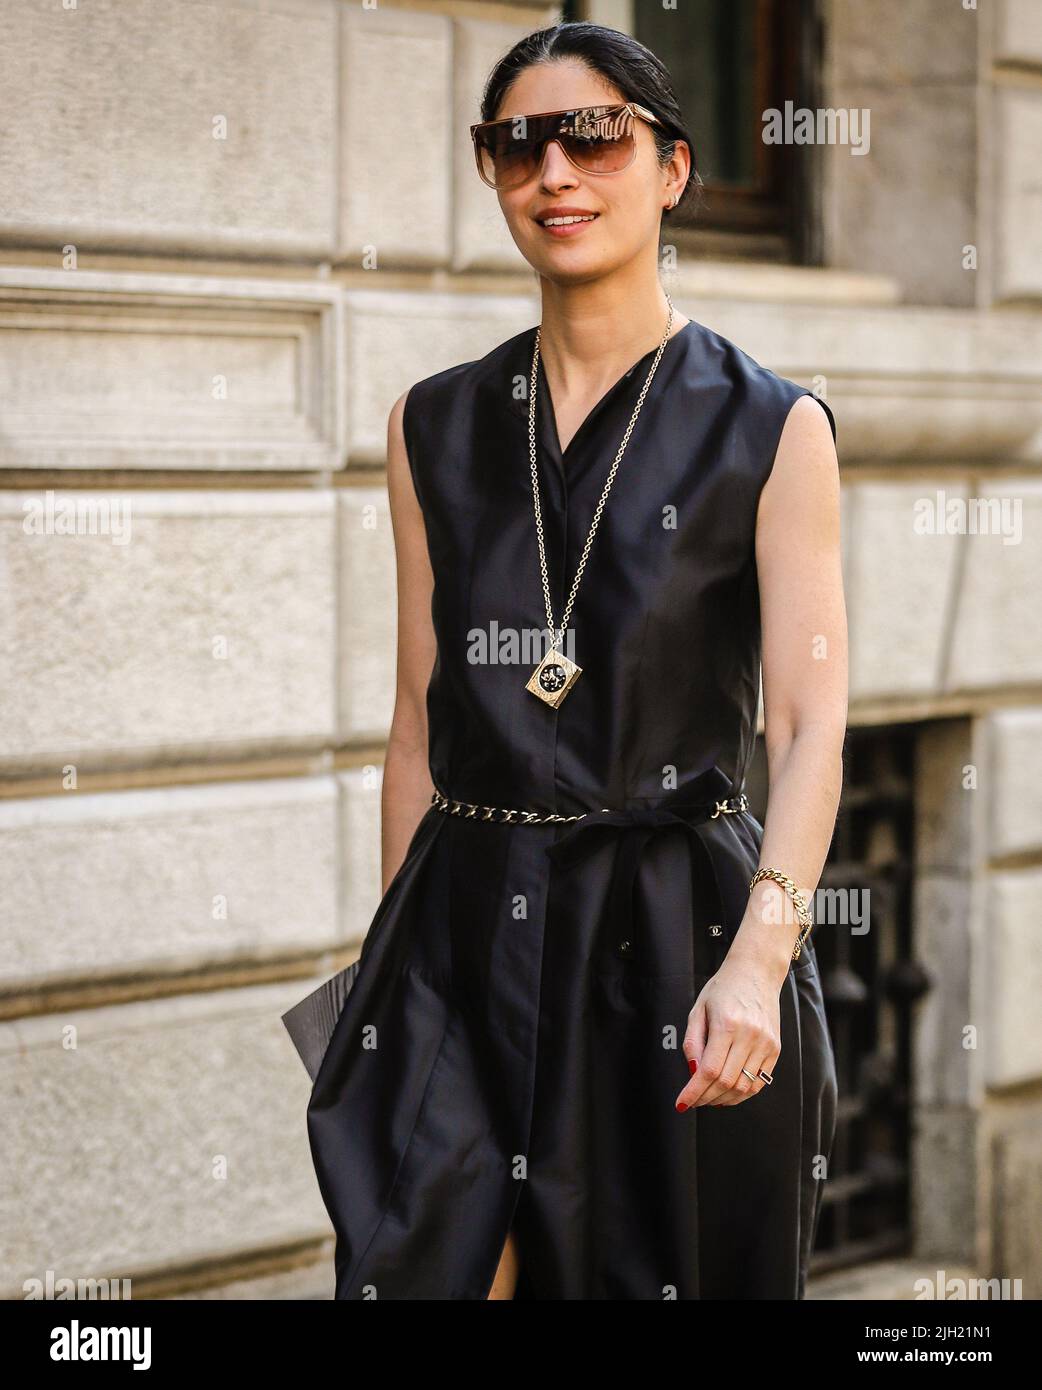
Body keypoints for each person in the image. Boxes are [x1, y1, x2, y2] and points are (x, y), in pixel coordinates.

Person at [301, 20, 845, 1300]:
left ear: (669, 167)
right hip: (462, 929)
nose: (555, 172)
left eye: (593, 134)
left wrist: (760, 960)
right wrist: (399, 976)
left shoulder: (773, 426)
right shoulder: (430, 423)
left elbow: (811, 724)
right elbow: (414, 727)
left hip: (676, 944)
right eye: (516, 143)